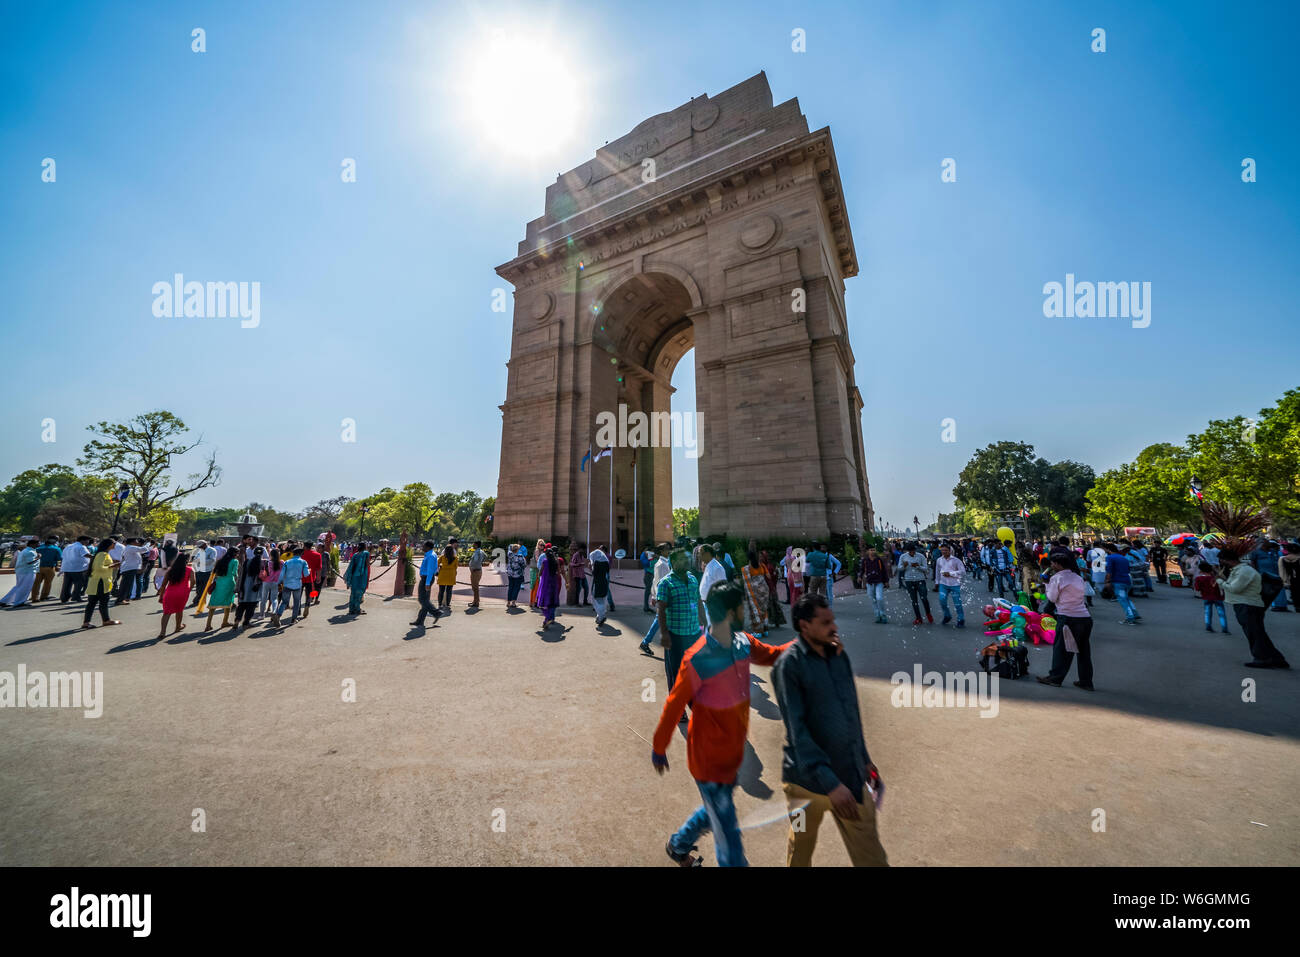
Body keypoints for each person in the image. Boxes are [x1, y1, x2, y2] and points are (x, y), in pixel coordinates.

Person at [651, 579, 793, 867]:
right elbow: (674, 704)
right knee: (728, 837)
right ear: (730, 613)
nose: (746, 614)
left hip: (732, 754)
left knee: (715, 808)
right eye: (742, 608)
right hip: (707, 759)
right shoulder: (698, 659)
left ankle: (678, 844)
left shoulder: (743, 643)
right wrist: (659, 747)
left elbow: (771, 655)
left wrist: (801, 642)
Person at [774, 593, 888, 866]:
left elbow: (851, 714)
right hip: (803, 788)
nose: (833, 627)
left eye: (832, 620)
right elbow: (797, 732)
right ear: (804, 626)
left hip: (850, 779)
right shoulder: (788, 666)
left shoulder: (839, 656)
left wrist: (864, 759)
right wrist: (831, 784)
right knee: (799, 846)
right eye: (825, 622)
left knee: (871, 856)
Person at [1218, 546, 1289, 669]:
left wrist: (1219, 581)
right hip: (1246, 604)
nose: (1220, 563)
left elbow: (1234, 588)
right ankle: (1276, 658)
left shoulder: (1244, 571)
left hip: (1248, 605)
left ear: (1226, 559)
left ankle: (1262, 658)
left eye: (1221, 560)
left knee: (1254, 633)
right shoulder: (1240, 570)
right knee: (1258, 633)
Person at [1036, 554, 1095, 690]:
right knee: (1083, 651)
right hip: (1085, 617)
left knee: (1061, 650)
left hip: (1068, 617)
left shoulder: (1058, 578)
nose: (1051, 566)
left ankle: (1055, 678)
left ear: (1057, 564)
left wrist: (1046, 583)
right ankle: (1086, 681)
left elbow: (1051, 597)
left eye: (1053, 564)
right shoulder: (1077, 577)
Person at [656, 547, 704, 691]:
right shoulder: (666, 583)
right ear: (674, 562)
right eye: (682, 559)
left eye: (687, 559)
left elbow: (699, 601)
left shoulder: (693, 579)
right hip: (675, 635)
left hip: (694, 633)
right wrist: (664, 634)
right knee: (675, 672)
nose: (686, 562)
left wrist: (706, 624)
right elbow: (661, 609)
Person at [80, 538, 121, 629]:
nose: (115, 544)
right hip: (101, 582)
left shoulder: (100, 554)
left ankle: (87, 622)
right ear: (109, 544)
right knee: (103, 602)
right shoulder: (103, 554)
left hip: (97, 581)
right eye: (114, 543)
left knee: (92, 603)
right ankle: (105, 620)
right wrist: (113, 566)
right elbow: (99, 568)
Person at [639, 542, 672, 654]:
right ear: (662, 551)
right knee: (660, 620)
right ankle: (645, 642)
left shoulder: (664, 563)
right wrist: (656, 596)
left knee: (660, 620)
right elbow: (658, 582)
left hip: (664, 597)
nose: (669, 551)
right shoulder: (661, 564)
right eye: (667, 549)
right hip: (663, 597)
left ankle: (646, 642)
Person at [156, 550, 193, 638]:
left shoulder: (171, 570)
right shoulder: (189, 569)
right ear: (187, 560)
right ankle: (178, 627)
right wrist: (189, 589)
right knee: (180, 610)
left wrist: (161, 596)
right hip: (183, 592)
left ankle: (162, 632)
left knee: (166, 612)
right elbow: (193, 581)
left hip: (170, 593)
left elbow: (164, 584)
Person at [1104, 543, 1140, 624]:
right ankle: (1135, 614)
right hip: (1127, 580)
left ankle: (1130, 618)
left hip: (1118, 581)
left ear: (1108, 549)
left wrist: (1107, 581)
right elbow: (1128, 569)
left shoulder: (1109, 558)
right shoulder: (1123, 558)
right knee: (1126, 598)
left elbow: (1109, 571)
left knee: (1122, 600)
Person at [205, 549, 240, 630]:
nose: (238, 555)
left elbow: (215, 573)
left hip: (219, 583)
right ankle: (224, 622)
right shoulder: (235, 561)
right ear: (234, 553)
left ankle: (208, 625)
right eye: (237, 553)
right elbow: (235, 573)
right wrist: (238, 583)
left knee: (213, 603)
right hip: (229, 583)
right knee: (228, 602)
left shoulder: (220, 561)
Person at [898, 542, 932, 625]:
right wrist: (904, 566)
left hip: (920, 579)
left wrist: (918, 566)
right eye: (910, 551)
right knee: (914, 600)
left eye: (913, 551)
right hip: (909, 580)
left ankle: (928, 613)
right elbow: (899, 568)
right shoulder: (903, 556)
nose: (912, 553)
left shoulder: (920, 556)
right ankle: (918, 618)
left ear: (915, 550)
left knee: (924, 598)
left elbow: (926, 569)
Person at [0, 539, 39, 608]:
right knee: (25, 587)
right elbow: (29, 562)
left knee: (19, 587)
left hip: (23, 571)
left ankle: (4, 601)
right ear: (32, 544)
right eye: (37, 544)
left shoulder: (27, 550)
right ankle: (19, 602)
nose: (38, 545)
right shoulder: (29, 551)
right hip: (27, 571)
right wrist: (38, 557)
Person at [934, 543, 965, 628]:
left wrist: (951, 574)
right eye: (942, 550)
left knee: (957, 603)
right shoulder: (939, 560)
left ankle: (961, 619)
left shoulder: (956, 560)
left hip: (955, 584)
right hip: (943, 584)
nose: (944, 552)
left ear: (950, 551)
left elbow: (962, 572)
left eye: (946, 550)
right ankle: (947, 616)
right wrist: (937, 582)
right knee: (942, 600)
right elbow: (937, 571)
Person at [1193, 561, 1229, 634]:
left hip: (1206, 597)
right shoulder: (1215, 577)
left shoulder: (1199, 578)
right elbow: (1225, 580)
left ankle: (1208, 627)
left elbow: (1197, 589)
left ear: (1201, 570)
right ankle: (1224, 629)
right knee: (1221, 613)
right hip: (1218, 597)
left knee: (1208, 612)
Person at [412, 541, 443, 626]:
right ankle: (420, 620)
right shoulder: (430, 554)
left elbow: (430, 571)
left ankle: (436, 612)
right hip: (426, 578)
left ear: (428, 547)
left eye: (424, 546)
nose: (422, 547)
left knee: (422, 599)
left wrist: (427, 583)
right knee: (425, 600)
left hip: (427, 579)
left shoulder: (431, 556)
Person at [739, 550, 770, 635]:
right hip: (764, 590)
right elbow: (768, 576)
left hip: (754, 592)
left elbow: (747, 582)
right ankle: (766, 629)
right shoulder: (762, 565)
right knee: (764, 609)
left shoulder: (746, 568)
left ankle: (758, 631)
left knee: (755, 610)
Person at [233, 547, 264, 628]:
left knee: (242, 605)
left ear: (254, 553)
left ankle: (237, 620)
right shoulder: (262, 563)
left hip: (244, 586)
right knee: (251, 605)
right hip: (254, 587)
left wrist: (238, 586)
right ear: (262, 554)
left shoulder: (247, 561)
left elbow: (241, 574)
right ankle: (246, 622)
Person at [697, 544, 727, 625]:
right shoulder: (709, 566)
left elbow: (723, 587)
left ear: (707, 553)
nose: (698, 555)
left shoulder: (717, 567)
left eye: (700, 553)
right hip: (706, 605)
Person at [59, 535, 92, 603]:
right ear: (83, 540)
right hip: (78, 568)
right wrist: (95, 556)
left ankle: (64, 598)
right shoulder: (82, 546)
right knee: (79, 583)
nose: (88, 542)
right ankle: (76, 597)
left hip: (67, 567)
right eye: (87, 540)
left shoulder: (68, 546)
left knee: (67, 584)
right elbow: (87, 555)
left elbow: (62, 556)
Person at [861, 545, 889, 624]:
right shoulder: (865, 561)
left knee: (879, 598)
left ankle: (883, 614)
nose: (873, 551)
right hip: (869, 583)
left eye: (874, 550)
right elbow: (862, 570)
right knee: (873, 600)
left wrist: (886, 581)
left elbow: (884, 571)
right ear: (867, 551)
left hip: (879, 582)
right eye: (871, 550)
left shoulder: (879, 560)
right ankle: (877, 615)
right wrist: (860, 577)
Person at [344, 542, 372, 616]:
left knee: (353, 592)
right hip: (362, 575)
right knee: (360, 591)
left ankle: (351, 609)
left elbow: (351, 566)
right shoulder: (366, 553)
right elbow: (367, 564)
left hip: (354, 576)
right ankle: (357, 609)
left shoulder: (355, 555)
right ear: (365, 547)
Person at [30, 536, 62, 602]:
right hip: (50, 567)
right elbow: (59, 558)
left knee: (36, 583)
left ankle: (34, 597)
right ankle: (44, 596)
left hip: (38, 567)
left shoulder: (38, 548)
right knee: (47, 583)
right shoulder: (56, 549)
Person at [537, 546, 561, 629]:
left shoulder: (545, 561)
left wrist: (541, 574)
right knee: (552, 601)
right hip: (554, 583)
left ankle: (547, 618)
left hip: (545, 584)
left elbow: (540, 573)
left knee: (543, 602)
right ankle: (550, 618)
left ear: (546, 555)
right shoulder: (556, 561)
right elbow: (559, 572)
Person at [589, 544, 611, 625]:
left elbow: (594, 574)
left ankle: (601, 616)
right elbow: (607, 572)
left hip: (597, 583)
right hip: (604, 582)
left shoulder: (597, 563)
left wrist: (591, 567)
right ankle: (600, 617)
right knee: (602, 600)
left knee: (596, 600)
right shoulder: (606, 562)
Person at [190, 540, 216, 607]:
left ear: (205, 544)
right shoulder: (199, 550)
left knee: (204, 587)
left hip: (207, 571)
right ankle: (198, 599)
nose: (200, 547)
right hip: (198, 570)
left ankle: (197, 600)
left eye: (201, 546)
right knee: (198, 586)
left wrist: (201, 561)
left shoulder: (212, 550)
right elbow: (195, 558)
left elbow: (212, 560)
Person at [259, 550, 283, 619]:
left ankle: (261, 615)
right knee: (274, 598)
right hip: (276, 582)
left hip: (266, 582)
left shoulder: (266, 562)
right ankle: (274, 612)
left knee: (263, 598)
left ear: (270, 555)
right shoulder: (281, 562)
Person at [301, 541, 323, 612]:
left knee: (298, 594)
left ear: (304, 546)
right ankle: (307, 605)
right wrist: (318, 577)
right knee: (309, 594)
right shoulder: (318, 555)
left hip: (300, 577)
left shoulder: (301, 554)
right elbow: (319, 568)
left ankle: (298, 610)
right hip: (311, 577)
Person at [467, 541, 490, 608]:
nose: (472, 545)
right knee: (475, 587)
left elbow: (475, 560)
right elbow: (486, 557)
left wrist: (473, 566)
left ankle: (476, 602)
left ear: (476, 545)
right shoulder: (481, 551)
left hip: (475, 571)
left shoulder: (477, 552)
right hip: (478, 570)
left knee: (475, 587)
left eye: (473, 544)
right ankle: (476, 600)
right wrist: (480, 562)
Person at [505, 543, 527, 608]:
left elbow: (509, 546)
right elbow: (524, 565)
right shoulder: (520, 557)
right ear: (517, 550)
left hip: (510, 574)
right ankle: (513, 602)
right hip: (518, 574)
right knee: (516, 588)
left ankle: (508, 602)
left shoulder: (509, 554)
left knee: (510, 587)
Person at [529, 538, 544, 608]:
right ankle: (532, 602)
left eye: (543, 544)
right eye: (540, 544)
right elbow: (538, 560)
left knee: (538, 586)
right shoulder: (537, 551)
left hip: (539, 570)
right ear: (538, 545)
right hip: (535, 570)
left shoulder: (543, 552)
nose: (542, 546)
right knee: (534, 586)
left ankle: (536, 602)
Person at [640, 544, 656, 611]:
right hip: (649, 575)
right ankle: (646, 607)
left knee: (651, 591)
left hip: (652, 574)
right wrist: (652, 557)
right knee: (648, 591)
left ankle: (647, 606)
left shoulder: (651, 555)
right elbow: (648, 564)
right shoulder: (644, 555)